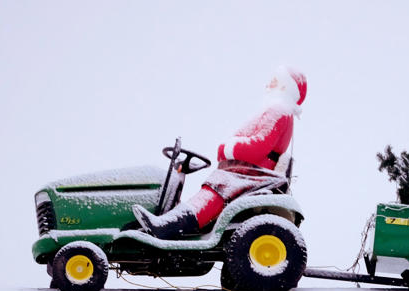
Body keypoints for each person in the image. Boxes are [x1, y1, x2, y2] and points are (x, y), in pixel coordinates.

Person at [132, 66, 307, 239]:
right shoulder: (277, 111)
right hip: (244, 171)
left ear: (286, 86)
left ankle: (171, 225)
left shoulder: (278, 110)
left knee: (214, 191)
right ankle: (174, 221)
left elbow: (258, 147)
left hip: (248, 173)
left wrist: (226, 148)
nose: (269, 83)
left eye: (276, 80)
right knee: (212, 188)